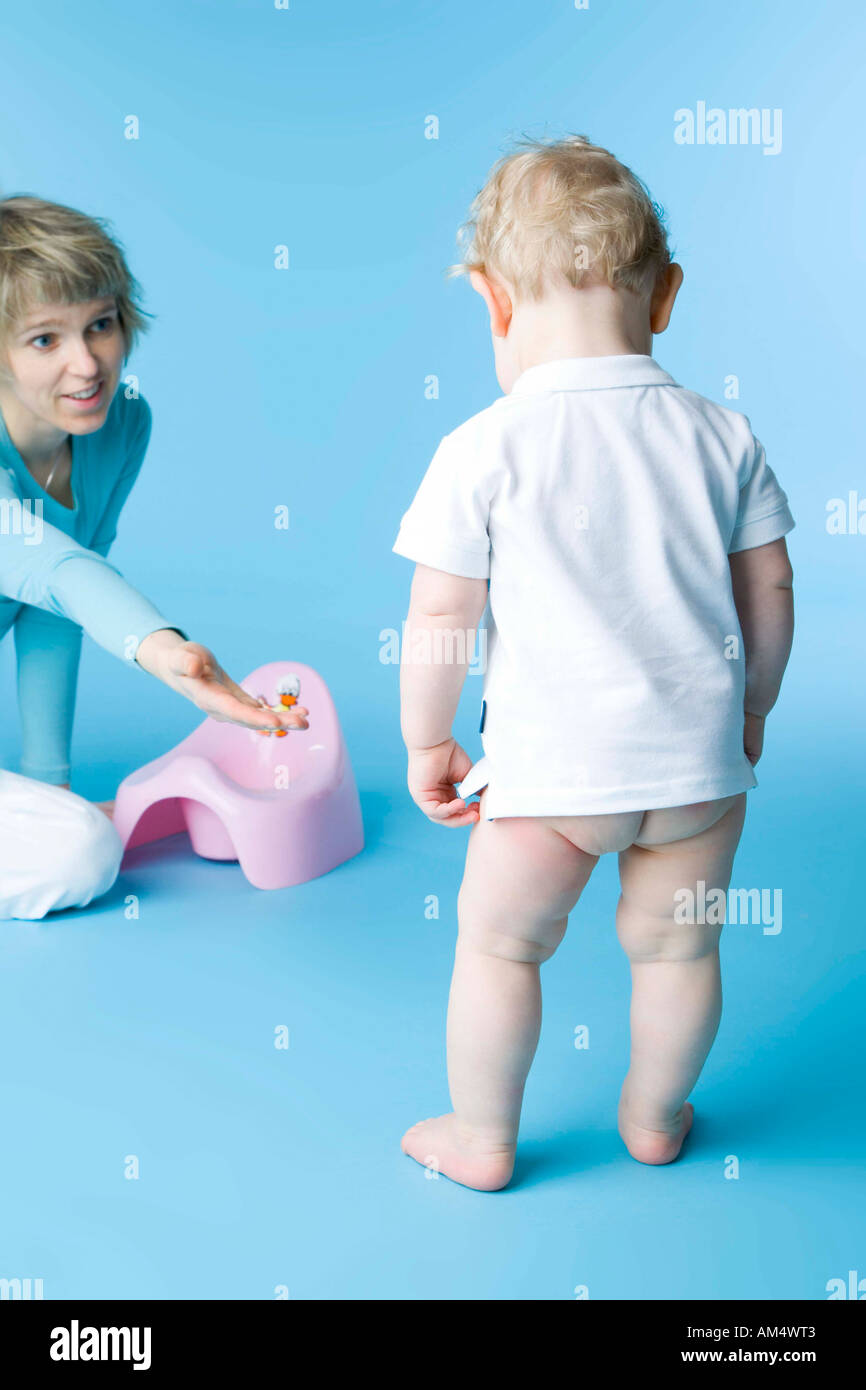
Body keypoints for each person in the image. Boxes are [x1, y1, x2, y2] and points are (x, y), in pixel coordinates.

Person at [392, 136, 795, 1191]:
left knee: (498, 949)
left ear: (490, 301)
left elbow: (441, 611)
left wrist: (427, 739)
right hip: (696, 773)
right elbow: (769, 594)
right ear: (662, 296)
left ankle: (483, 1139)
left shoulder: (483, 446)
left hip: (549, 782)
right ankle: (654, 1118)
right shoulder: (722, 433)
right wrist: (749, 712)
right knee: (677, 952)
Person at [0, 196, 306, 920]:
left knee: (75, 832)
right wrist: (168, 654)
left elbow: (57, 608)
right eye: (44, 340)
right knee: (82, 851)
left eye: (100, 325)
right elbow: (49, 567)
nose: (87, 364)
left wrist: (53, 786)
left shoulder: (120, 426)